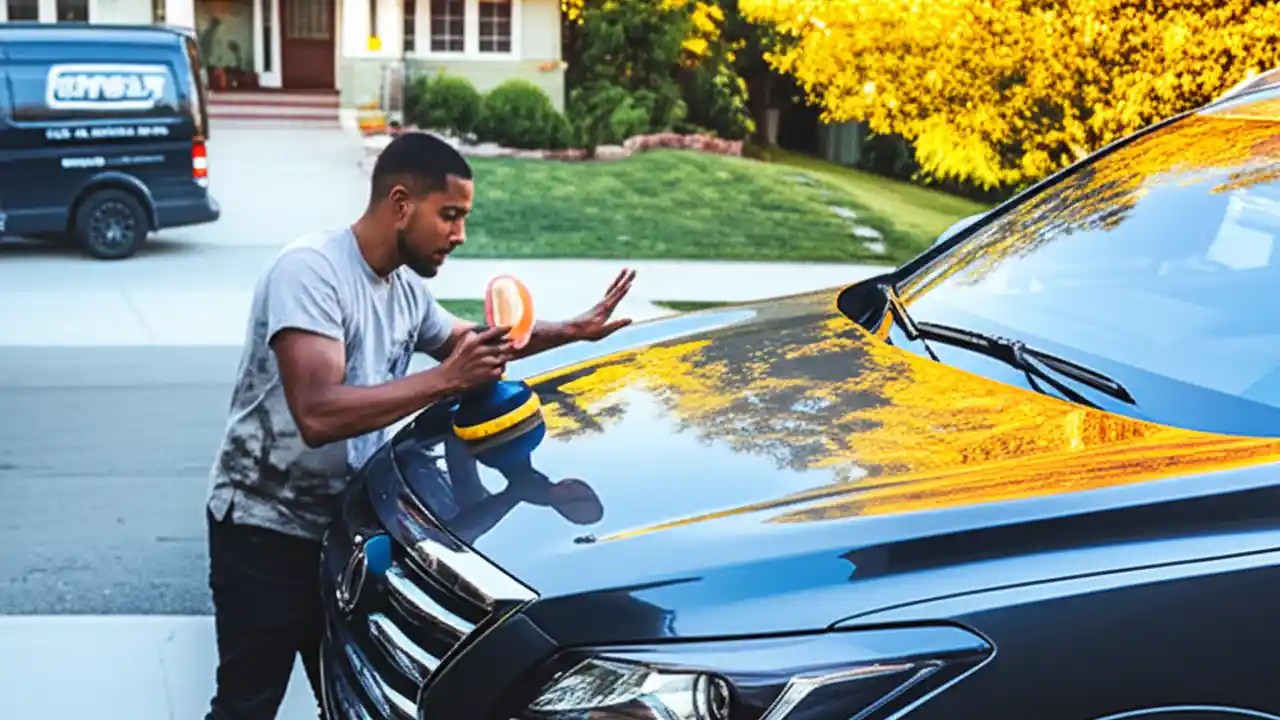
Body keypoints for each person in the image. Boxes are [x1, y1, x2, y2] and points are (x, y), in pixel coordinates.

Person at [202, 130, 636, 720]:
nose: (459, 234)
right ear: (401, 203)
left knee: (350, 698)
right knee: (247, 706)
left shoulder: (404, 290)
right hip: (264, 533)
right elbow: (317, 412)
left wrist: (570, 331)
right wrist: (447, 380)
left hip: (346, 530)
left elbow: (472, 348)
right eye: (450, 216)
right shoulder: (311, 272)